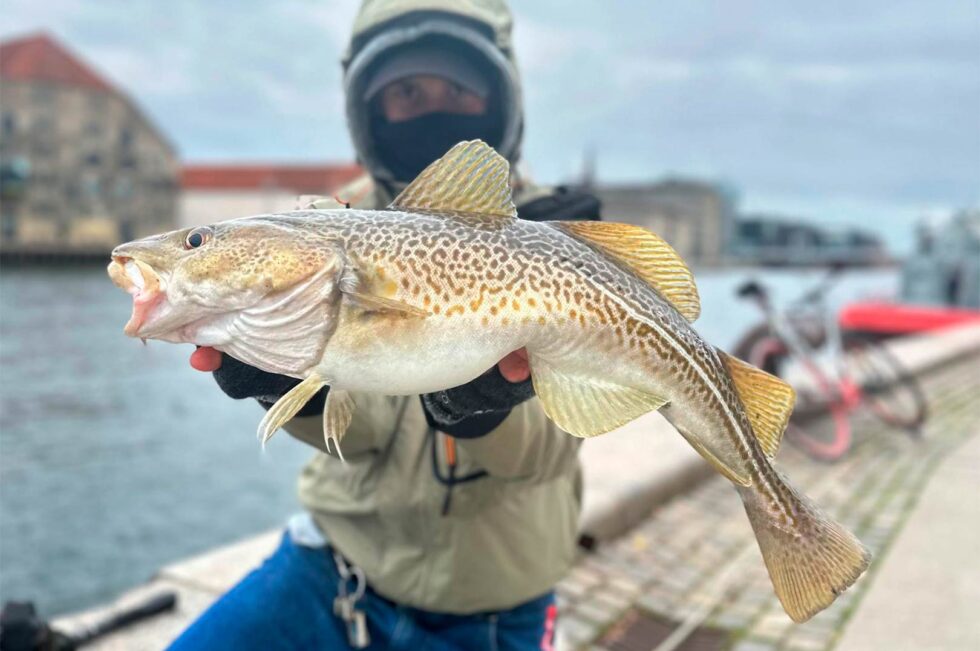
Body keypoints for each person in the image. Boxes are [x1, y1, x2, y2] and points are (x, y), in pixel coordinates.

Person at [169, 1, 601, 649]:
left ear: (502, 94)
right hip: (338, 563)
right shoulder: (325, 228)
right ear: (365, 107)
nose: (431, 107)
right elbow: (360, 437)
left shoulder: (553, 236)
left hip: (493, 603)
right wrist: (287, 370)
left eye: (456, 89)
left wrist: (481, 407)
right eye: (405, 92)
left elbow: (543, 455)